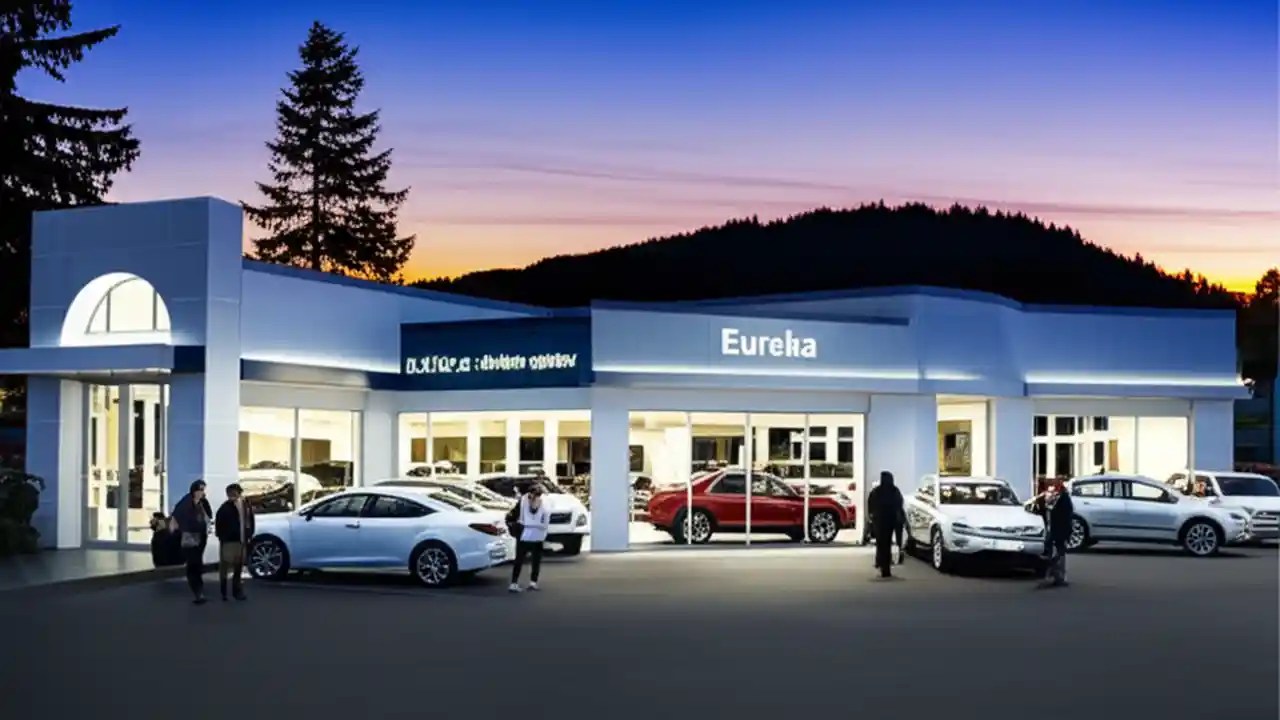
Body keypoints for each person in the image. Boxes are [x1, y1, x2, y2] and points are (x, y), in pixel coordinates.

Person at [171, 480, 212, 604]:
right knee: (193, 562)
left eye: (203, 490)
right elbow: (176, 517)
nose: (202, 493)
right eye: (200, 490)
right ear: (194, 490)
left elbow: (208, 516)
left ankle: (199, 587)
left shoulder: (203, 503)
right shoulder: (186, 502)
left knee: (198, 561)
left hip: (201, 535)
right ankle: (197, 590)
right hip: (189, 535)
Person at [1027, 480, 1074, 587]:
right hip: (1052, 529)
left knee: (1059, 552)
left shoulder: (1063, 499)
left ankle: (1058, 576)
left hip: (1059, 530)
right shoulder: (1051, 498)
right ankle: (1054, 575)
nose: (1051, 491)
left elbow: (1065, 517)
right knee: (1054, 552)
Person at [215, 483, 255, 601]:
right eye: (229, 493)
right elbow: (219, 524)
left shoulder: (245, 505)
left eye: (233, 493)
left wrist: (249, 533)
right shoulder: (225, 508)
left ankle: (237, 591)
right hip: (230, 541)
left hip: (242, 540)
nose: (231, 495)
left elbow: (250, 520)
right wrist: (223, 537)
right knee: (226, 566)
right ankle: (224, 591)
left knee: (238, 567)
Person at [509, 482, 550, 593]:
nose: (535, 498)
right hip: (533, 533)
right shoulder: (539, 502)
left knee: (522, 559)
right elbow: (545, 519)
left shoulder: (525, 500)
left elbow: (514, 515)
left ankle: (516, 583)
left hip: (527, 533)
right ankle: (530, 582)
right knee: (532, 559)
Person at [867, 471, 905, 578]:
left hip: (879, 521)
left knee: (880, 543)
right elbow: (899, 504)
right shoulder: (894, 491)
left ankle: (880, 562)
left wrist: (871, 516)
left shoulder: (876, 491)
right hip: (890, 521)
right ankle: (886, 568)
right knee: (887, 544)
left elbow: (870, 504)